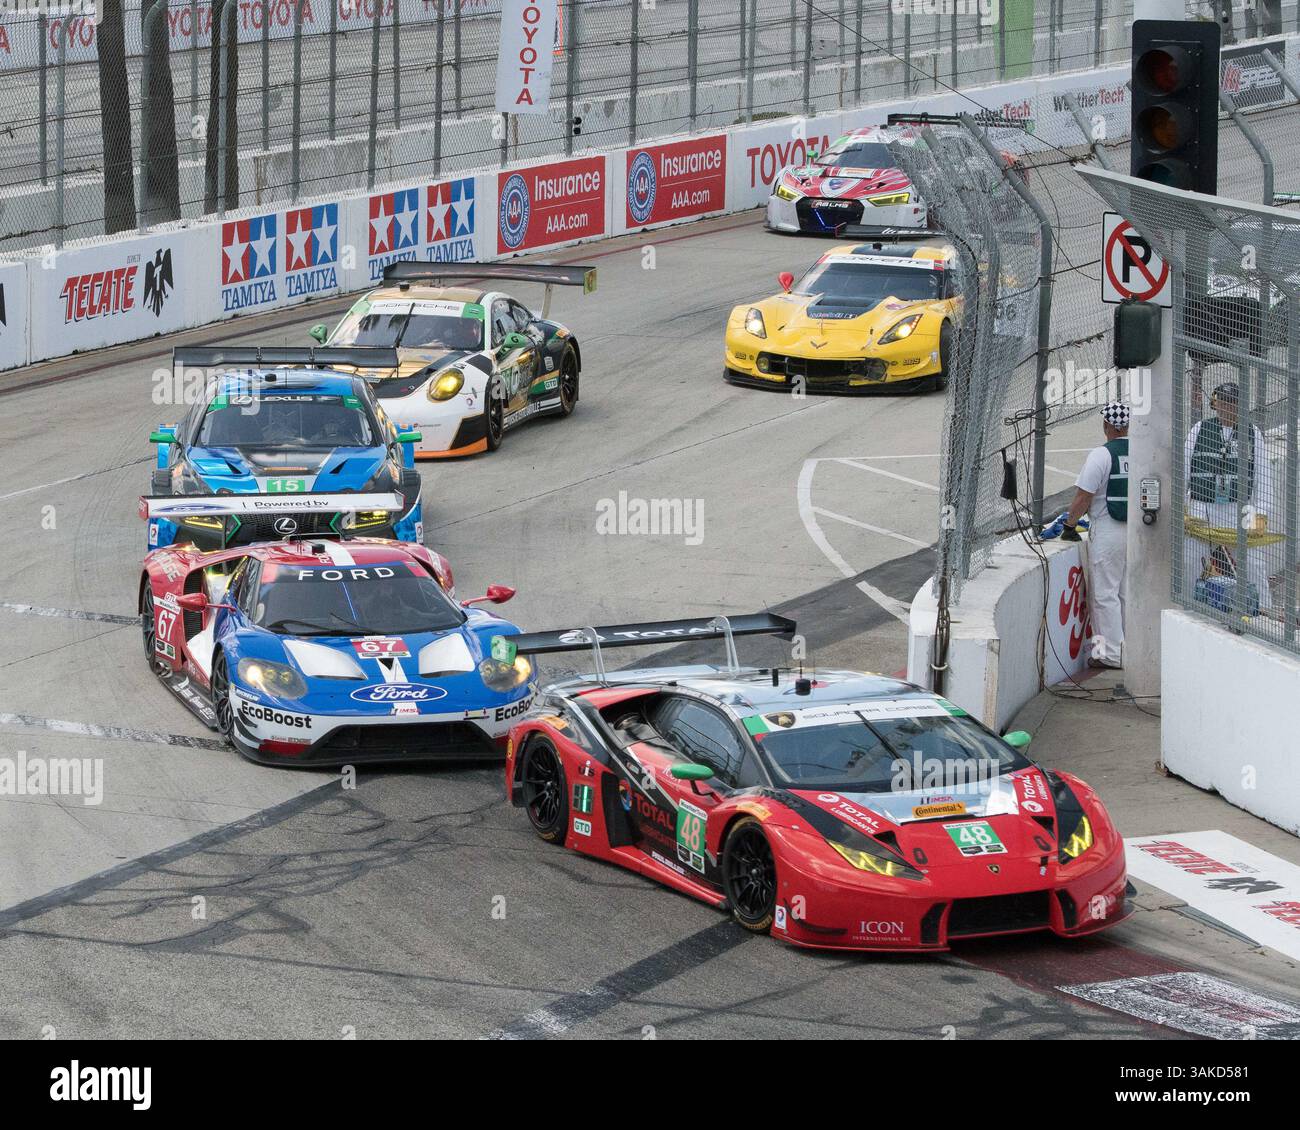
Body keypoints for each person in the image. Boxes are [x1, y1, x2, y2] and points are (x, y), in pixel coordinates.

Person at [1046, 402, 1129, 668]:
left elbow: (1083, 496)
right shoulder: (1144, 452)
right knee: (1127, 593)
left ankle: (1109, 655)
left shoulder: (1102, 455)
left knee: (1104, 594)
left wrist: (1069, 525)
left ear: (1107, 426)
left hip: (1109, 529)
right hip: (1140, 532)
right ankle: (1131, 650)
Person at [1183, 382, 1276, 613]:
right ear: (1215, 404)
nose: (1227, 407)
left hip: (1238, 508)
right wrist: (1181, 508)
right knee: (1190, 558)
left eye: (1232, 403)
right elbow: (1183, 469)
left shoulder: (1252, 432)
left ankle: (1262, 611)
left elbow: (1263, 476)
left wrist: (1260, 515)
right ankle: (1189, 606)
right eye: (1222, 402)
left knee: (1253, 561)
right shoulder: (1199, 428)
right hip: (1201, 506)